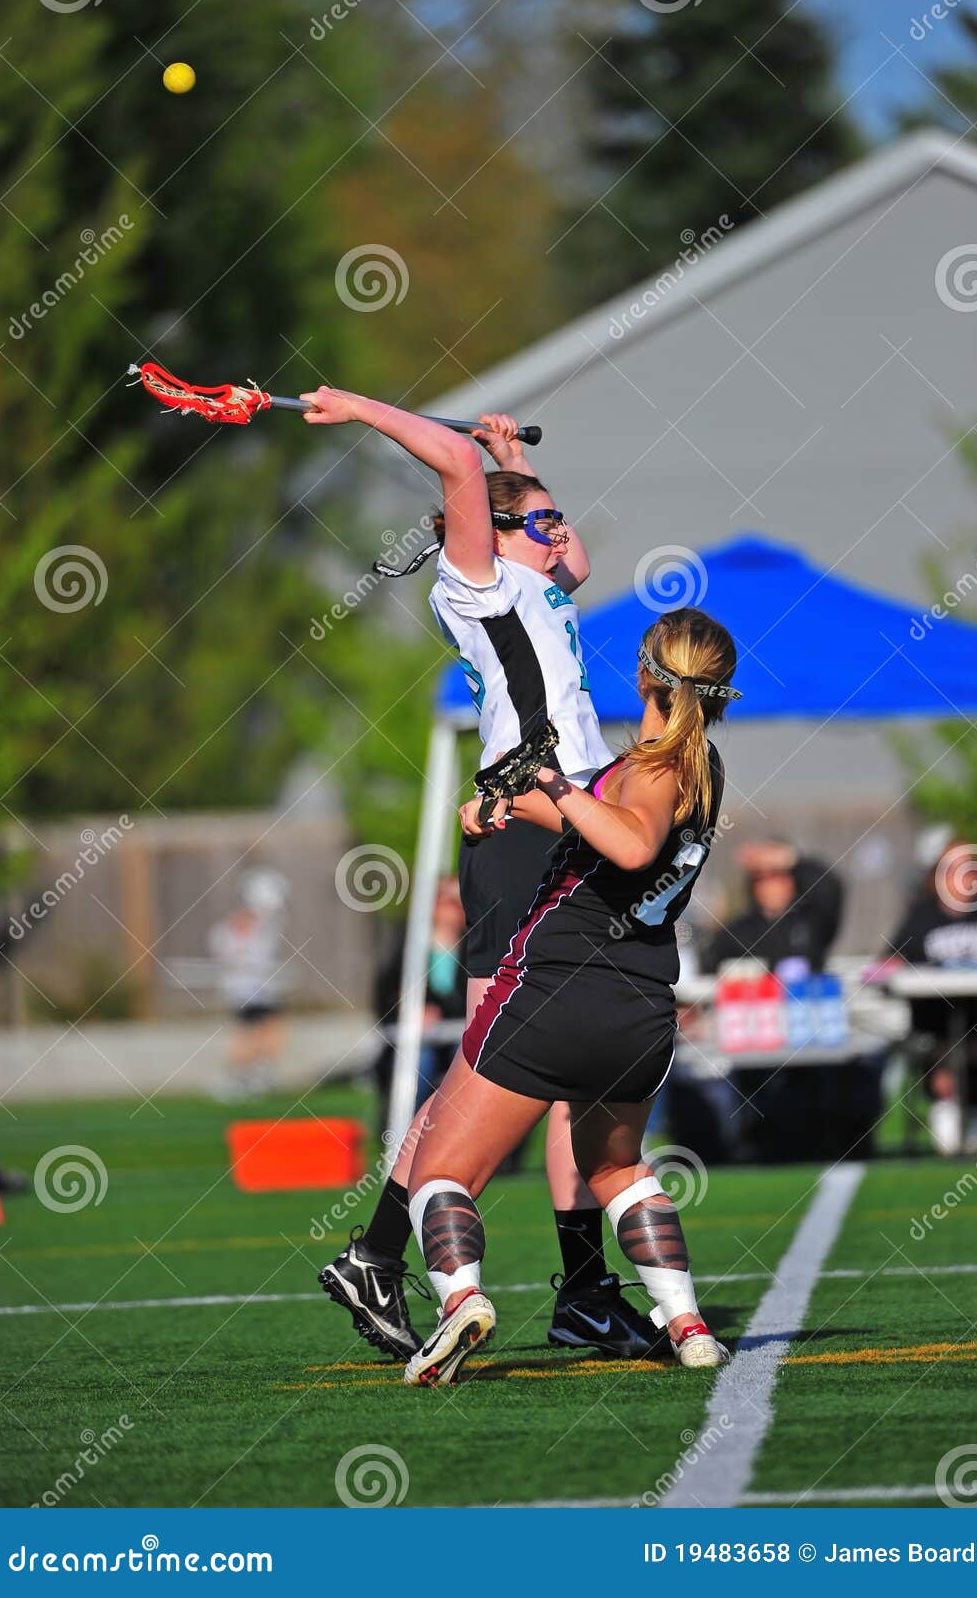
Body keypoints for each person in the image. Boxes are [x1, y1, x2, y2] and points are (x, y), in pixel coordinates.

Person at [301, 388, 658, 1362]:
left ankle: (584, 1287)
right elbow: (458, 473)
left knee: (577, 1064)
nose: (561, 531)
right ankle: (379, 1249)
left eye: (551, 514)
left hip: (573, 823)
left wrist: (513, 461)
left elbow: (568, 551)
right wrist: (362, 410)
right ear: (488, 533)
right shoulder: (479, 582)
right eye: (537, 519)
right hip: (523, 833)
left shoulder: (539, 581)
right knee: (489, 1066)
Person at [400, 606, 740, 1387]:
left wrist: (547, 778)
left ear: (648, 676)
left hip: (554, 991)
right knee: (617, 1171)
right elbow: (605, 814)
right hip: (639, 1008)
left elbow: (626, 838)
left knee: (441, 1174)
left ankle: (461, 1302)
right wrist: (514, 804)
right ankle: (685, 1322)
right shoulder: (696, 765)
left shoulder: (653, 769)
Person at [874, 839, 977, 1152]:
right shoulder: (921, 917)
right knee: (938, 1046)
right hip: (933, 1028)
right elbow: (890, 960)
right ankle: (947, 1101)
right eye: (952, 870)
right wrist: (892, 966)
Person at [371, 877, 468, 1136]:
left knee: (470, 1061)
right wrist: (411, 1011)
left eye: (458, 902)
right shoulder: (409, 949)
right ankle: (405, 1134)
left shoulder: (476, 946)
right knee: (419, 1061)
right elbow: (384, 997)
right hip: (420, 1039)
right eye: (446, 901)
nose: (452, 908)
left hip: (460, 1038)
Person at [702, 838, 842, 973]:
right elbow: (708, 966)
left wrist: (791, 859)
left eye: (778, 877)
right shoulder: (737, 932)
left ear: (792, 883)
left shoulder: (811, 923)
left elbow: (831, 889)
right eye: (762, 879)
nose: (771, 886)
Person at [208, 869, 291, 1098]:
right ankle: (235, 1078)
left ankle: (260, 1074)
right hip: (245, 991)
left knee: (271, 1030)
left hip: (264, 988)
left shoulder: (268, 925)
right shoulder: (230, 930)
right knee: (246, 1033)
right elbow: (227, 953)